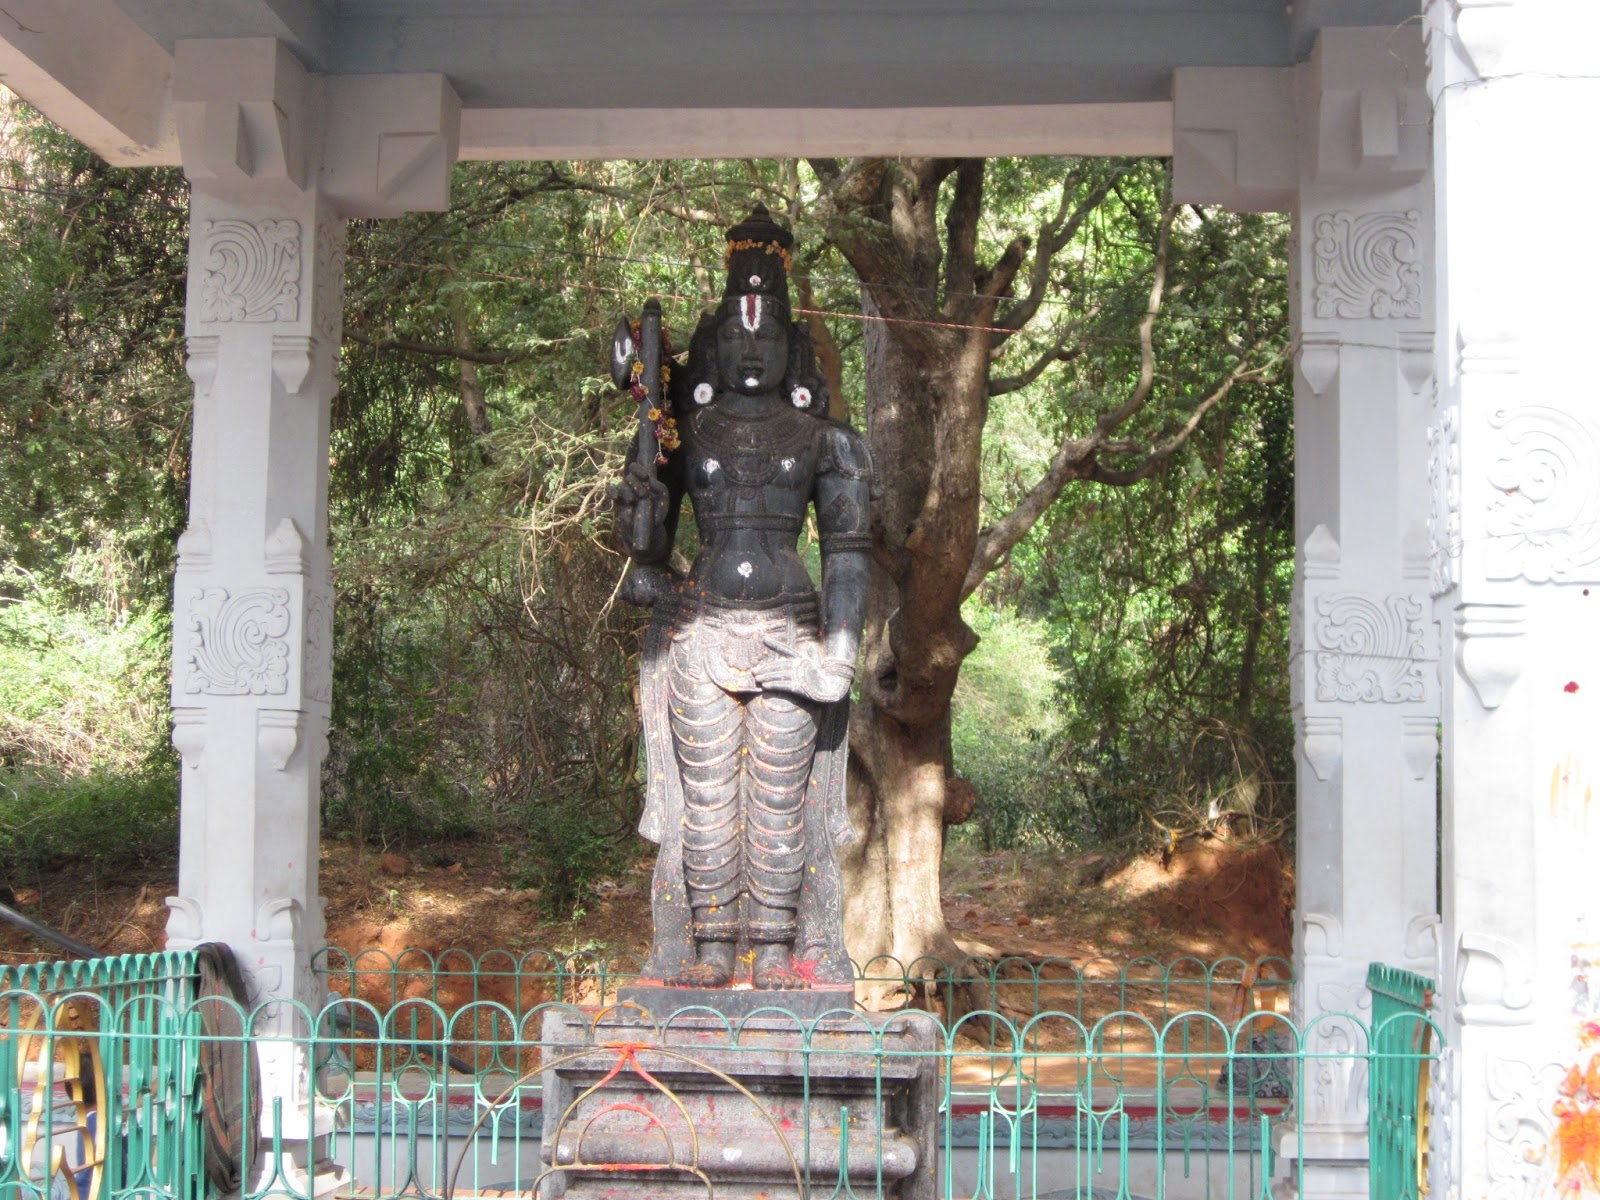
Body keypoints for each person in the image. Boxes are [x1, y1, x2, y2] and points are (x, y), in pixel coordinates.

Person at [611, 206, 871, 989]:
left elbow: (849, 555)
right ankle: (710, 947)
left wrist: (841, 653)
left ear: (793, 345)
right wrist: (644, 508)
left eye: (766, 336)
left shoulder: (829, 441)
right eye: (734, 335)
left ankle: (778, 947)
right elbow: (646, 542)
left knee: (782, 796)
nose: (750, 347)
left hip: (790, 629)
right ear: (713, 346)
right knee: (708, 796)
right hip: (699, 627)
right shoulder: (680, 432)